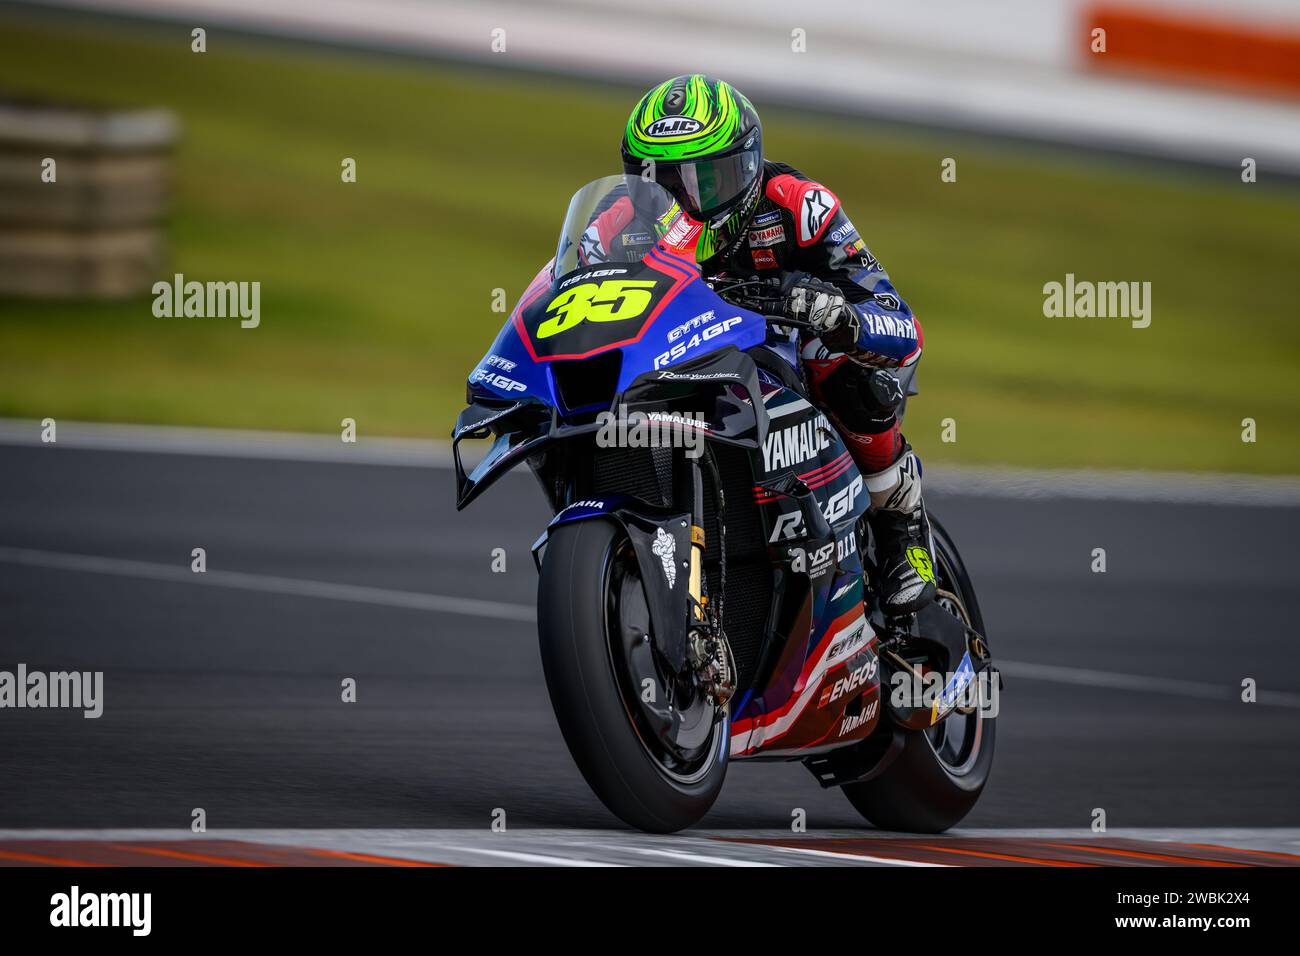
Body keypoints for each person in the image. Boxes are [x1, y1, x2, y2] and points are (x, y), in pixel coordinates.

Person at [620, 74, 936, 614]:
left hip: (789, 370)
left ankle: (899, 519)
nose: (683, 203)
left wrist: (834, 314)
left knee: (840, 363)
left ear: (744, 166)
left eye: (703, 181)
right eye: (663, 185)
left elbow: (902, 326)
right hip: (684, 363)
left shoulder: (798, 206)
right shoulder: (619, 225)